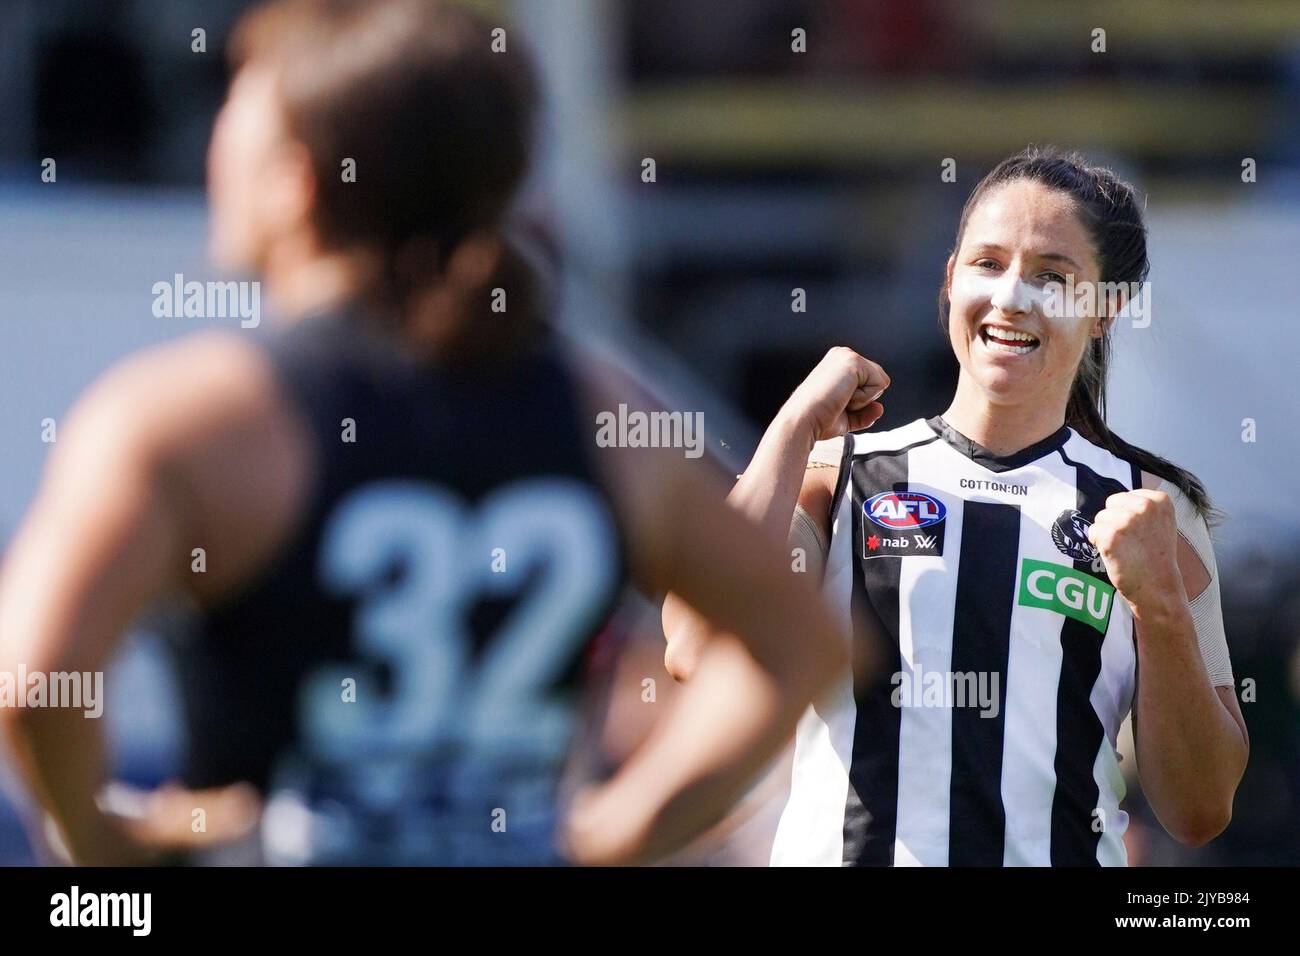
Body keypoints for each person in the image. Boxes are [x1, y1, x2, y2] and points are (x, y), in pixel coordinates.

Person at [0, 0, 847, 867]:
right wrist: (619, 830)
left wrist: (98, 839)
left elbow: (34, 678)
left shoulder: (191, 418)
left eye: (235, 111)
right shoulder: (601, 415)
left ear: (296, 182)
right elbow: (802, 646)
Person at [664, 146, 1249, 866]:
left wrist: (1159, 603)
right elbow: (694, 646)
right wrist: (791, 429)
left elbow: (1201, 809)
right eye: (988, 263)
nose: (1011, 297)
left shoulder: (1152, 511)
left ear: (1106, 310)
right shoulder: (839, 474)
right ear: (949, 280)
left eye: (1052, 277)